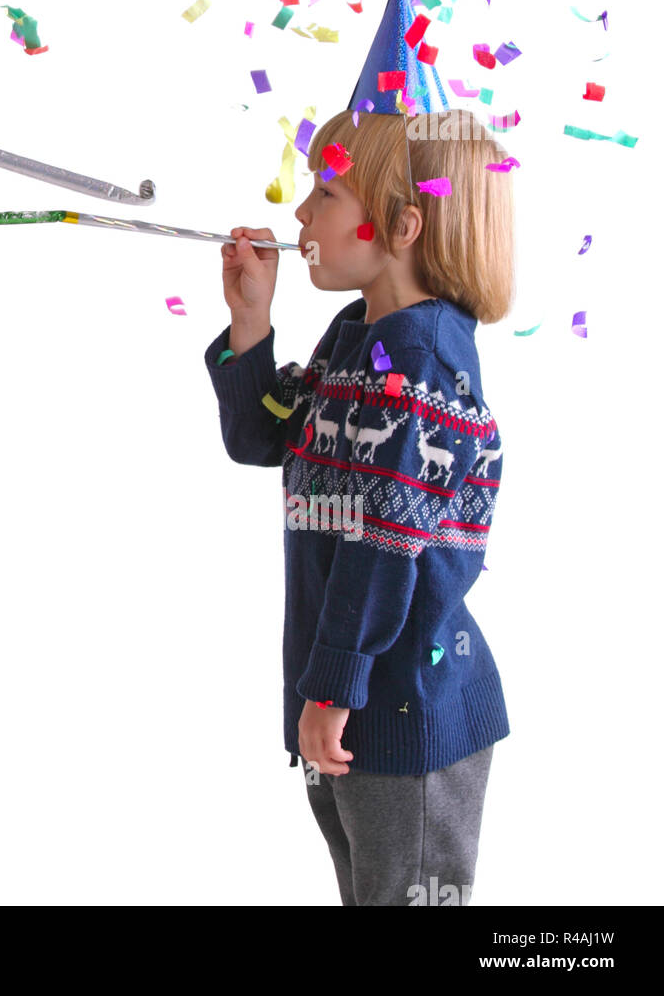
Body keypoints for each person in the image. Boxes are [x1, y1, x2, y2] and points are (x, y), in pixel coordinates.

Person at [205, 104, 514, 906]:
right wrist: (250, 326)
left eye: (327, 193)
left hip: (398, 710)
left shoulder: (420, 371)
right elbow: (265, 438)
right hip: (342, 700)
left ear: (402, 226)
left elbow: (382, 544)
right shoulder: (357, 338)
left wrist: (334, 688)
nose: (301, 215)